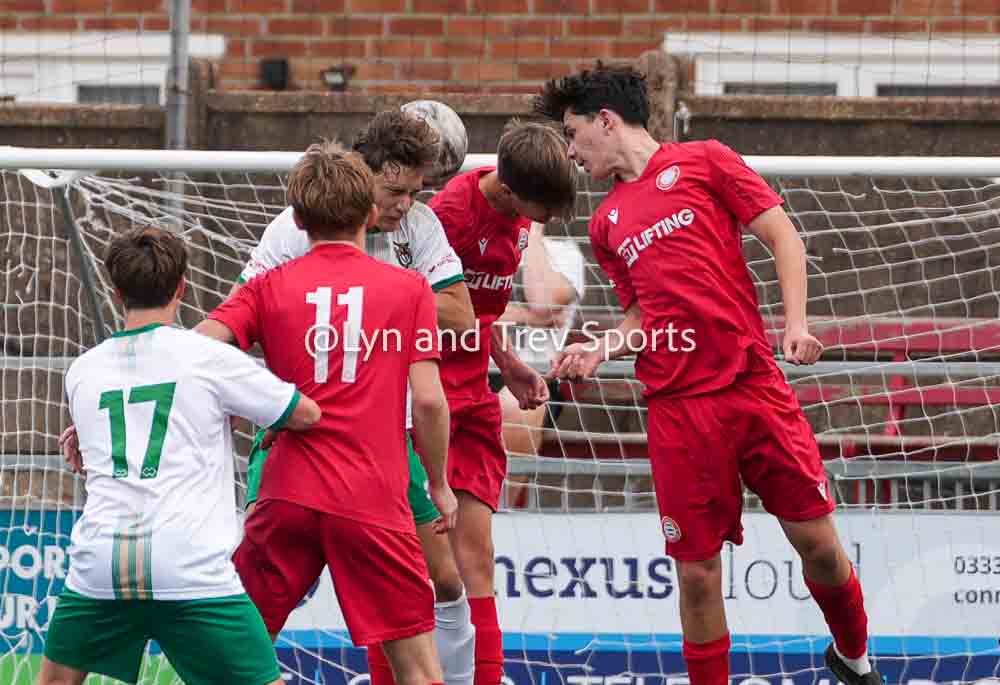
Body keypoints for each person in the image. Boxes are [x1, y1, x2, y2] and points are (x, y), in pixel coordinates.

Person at [534, 63, 881, 685]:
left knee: (821, 548)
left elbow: (782, 234)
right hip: (677, 407)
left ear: (606, 120)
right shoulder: (605, 222)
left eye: (573, 131)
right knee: (696, 572)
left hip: (752, 387)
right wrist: (602, 349)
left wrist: (795, 324)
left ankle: (855, 658)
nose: (570, 149)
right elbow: (642, 312)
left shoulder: (705, 161)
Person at [199, 142, 457, 685]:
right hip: (372, 496)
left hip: (286, 492)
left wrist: (265, 401)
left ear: (297, 218)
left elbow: (199, 351)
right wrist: (438, 483)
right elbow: (430, 400)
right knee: (418, 668)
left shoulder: (267, 286)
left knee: (233, 655)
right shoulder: (409, 289)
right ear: (368, 213)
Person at [41, 227, 321, 685]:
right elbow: (305, 414)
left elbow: (101, 446)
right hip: (190, 565)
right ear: (182, 287)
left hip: (102, 563)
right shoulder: (208, 357)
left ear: (116, 293)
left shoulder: (82, 370)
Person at [427, 120, 578, 685]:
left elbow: (479, 313)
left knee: (479, 561)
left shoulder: (519, 215)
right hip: (426, 400)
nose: (542, 221)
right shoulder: (446, 220)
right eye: (538, 209)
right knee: (426, 572)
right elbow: (421, 310)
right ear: (510, 190)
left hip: (475, 395)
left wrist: (508, 364)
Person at [491, 222, 586, 506]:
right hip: (476, 367)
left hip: (535, 376)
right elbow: (465, 311)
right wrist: (529, 317)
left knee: (514, 406)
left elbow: (544, 302)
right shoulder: (479, 244)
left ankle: (498, 511)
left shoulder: (565, 253)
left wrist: (531, 234)